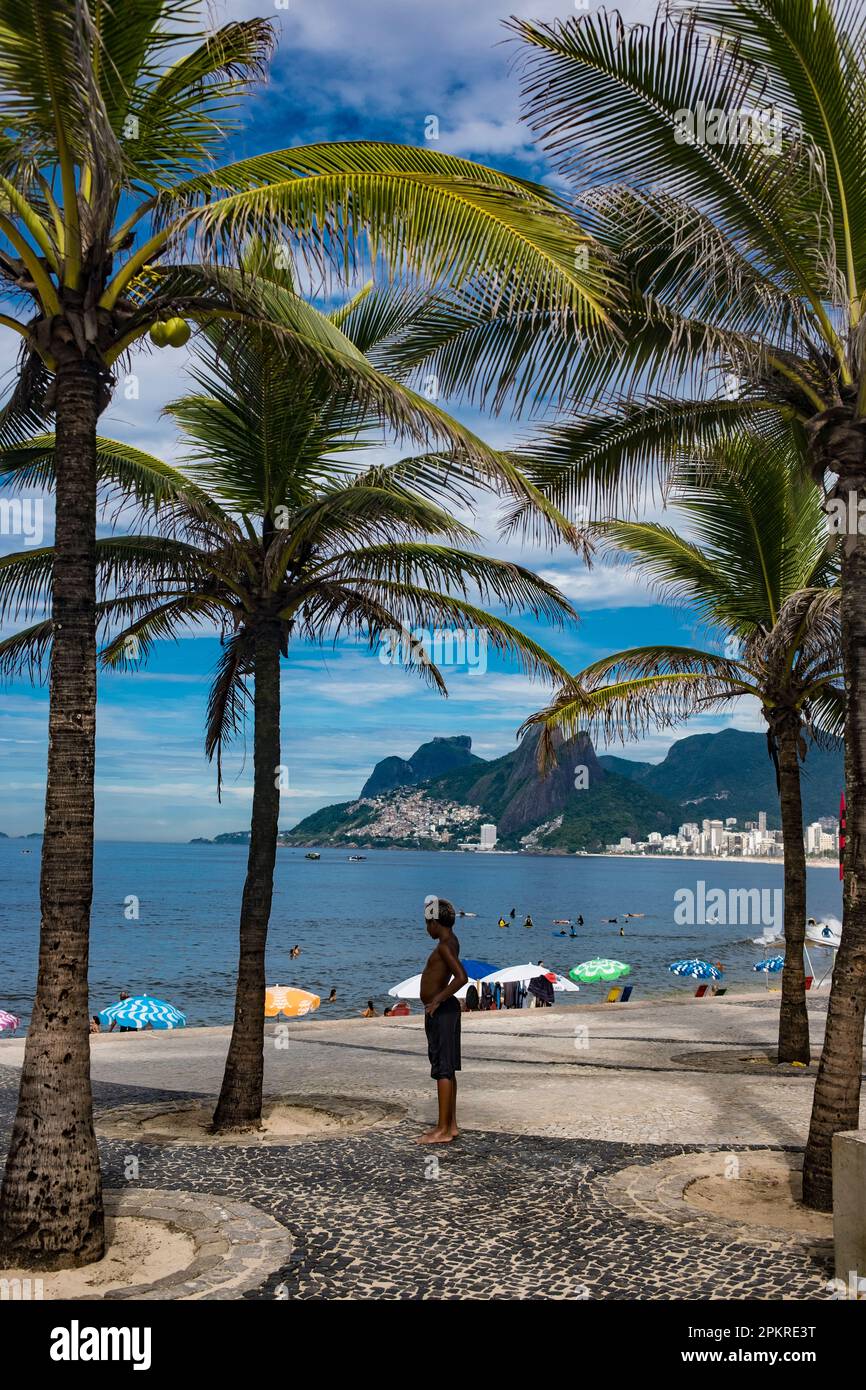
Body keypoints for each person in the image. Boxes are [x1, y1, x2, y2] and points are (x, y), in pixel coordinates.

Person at [417, 894, 467, 1144]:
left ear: (435, 923)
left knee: (442, 1070)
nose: (426, 928)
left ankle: (442, 1130)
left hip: (442, 1011)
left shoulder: (444, 946)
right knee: (447, 1068)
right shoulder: (452, 940)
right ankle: (451, 1125)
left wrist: (436, 1000)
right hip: (445, 1010)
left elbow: (461, 977)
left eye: (428, 923)